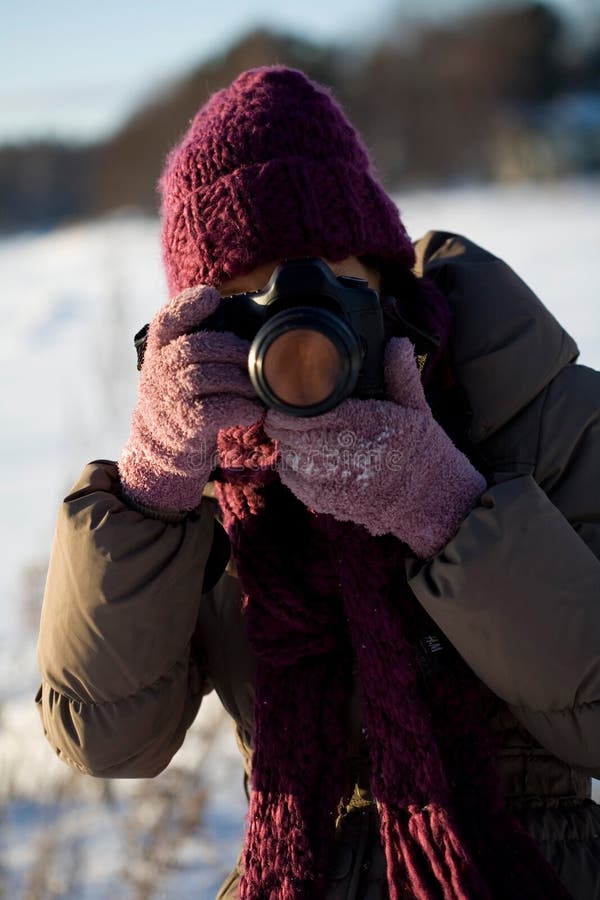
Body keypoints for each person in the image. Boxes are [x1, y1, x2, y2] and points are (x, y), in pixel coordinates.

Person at [36, 66, 600, 900]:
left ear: (385, 283)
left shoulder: (535, 408)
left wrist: (450, 510)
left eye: (330, 284)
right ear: (203, 320)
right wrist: (150, 497)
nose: (298, 330)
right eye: (248, 298)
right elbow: (109, 739)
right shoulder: (204, 469)